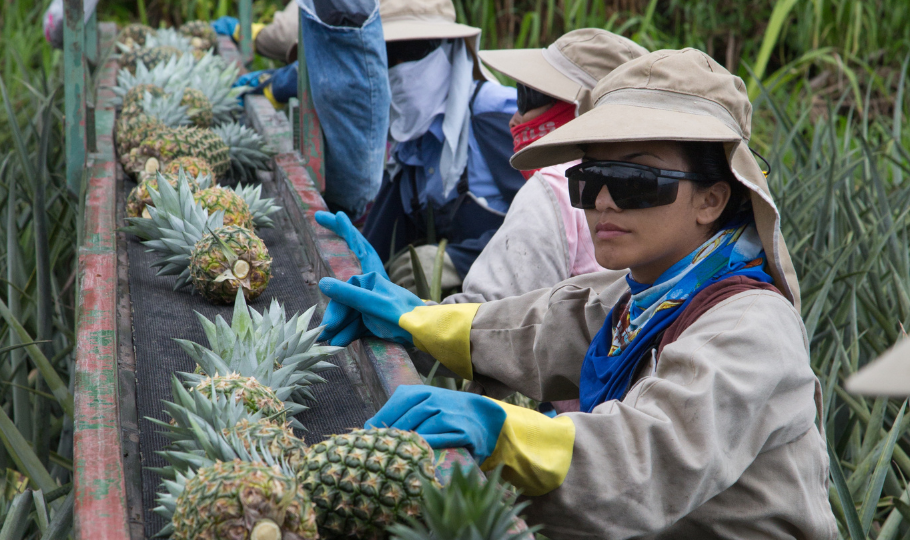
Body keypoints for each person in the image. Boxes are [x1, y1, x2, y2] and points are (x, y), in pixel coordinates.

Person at [315, 48, 835, 538]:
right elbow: (541, 328)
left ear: (711, 199)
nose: (604, 201)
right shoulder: (649, 291)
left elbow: (646, 457)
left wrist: (504, 433)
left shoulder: (750, 328)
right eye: (589, 180)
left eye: (636, 179)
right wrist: (413, 320)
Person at [388, 28, 648, 304]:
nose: (513, 119)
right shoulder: (656, 189)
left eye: (527, 98)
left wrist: (408, 315)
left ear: (579, 108)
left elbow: (486, 316)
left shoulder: (554, 187)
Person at [359, 0, 519, 276]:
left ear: (449, 48)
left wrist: (457, 260)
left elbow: (560, 224)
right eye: (387, 53)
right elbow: (376, 245)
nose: (398, 66)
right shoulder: (409, 146)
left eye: (411, 51)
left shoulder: (497, 116)